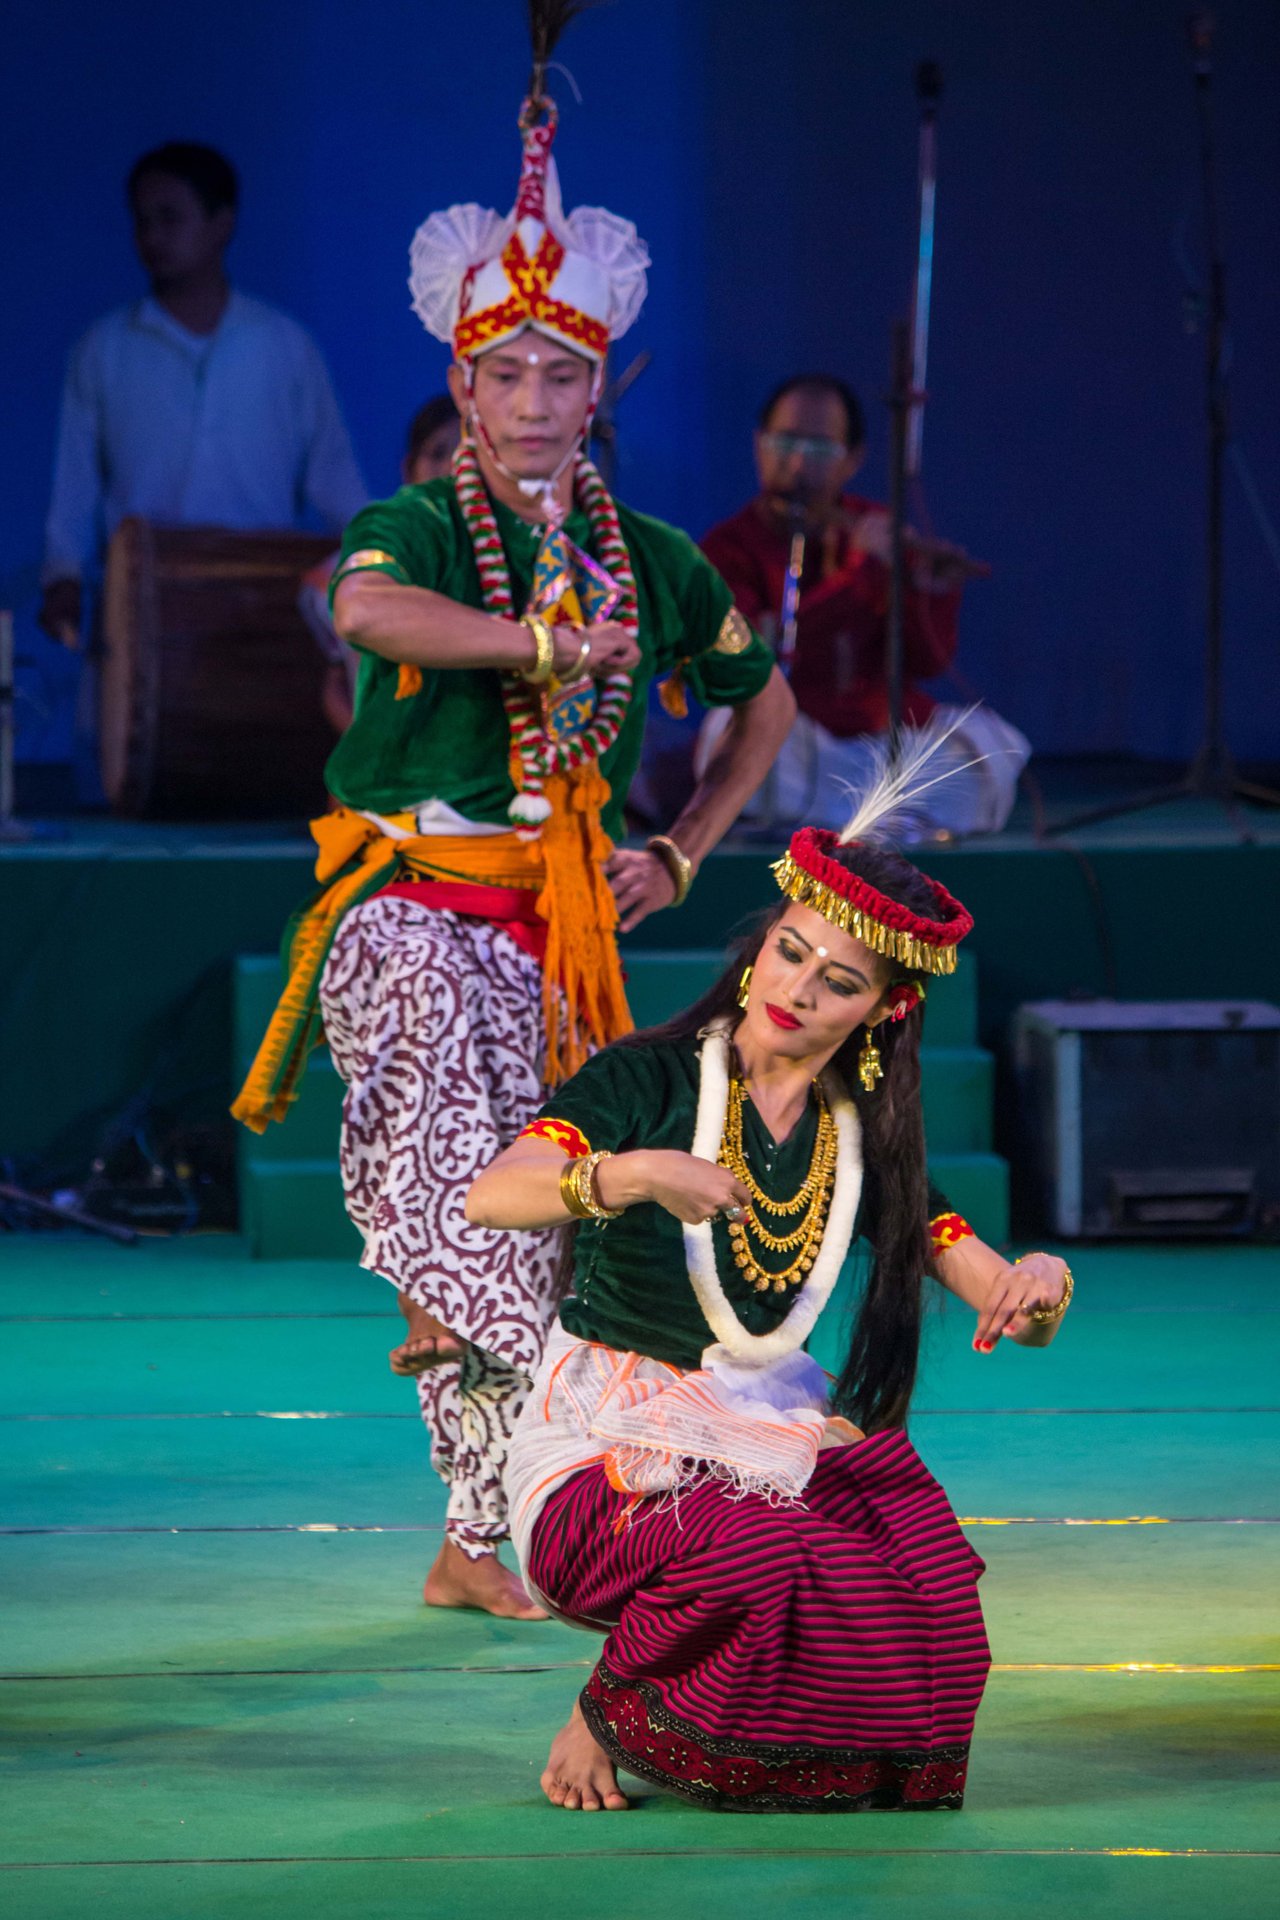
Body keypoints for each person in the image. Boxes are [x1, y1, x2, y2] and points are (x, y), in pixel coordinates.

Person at [232, 28, 794, 1623]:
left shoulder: (656, 557)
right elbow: (368, 612)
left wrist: (684, 847)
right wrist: (542, 646)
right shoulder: (416, 522)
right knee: (461, 1214)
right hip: (413, 913)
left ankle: (485, 1538)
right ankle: (515, 1499)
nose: (533, 401)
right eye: (504, 375)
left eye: (560, 374)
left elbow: (762, 704)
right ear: (459, 387)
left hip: (565, 942)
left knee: (551, 1226)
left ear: (598, 387)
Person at [468, 770, 1073, 1811]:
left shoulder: (857, 1141)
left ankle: (811, 1760)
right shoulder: (649, 1080)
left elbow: (993, 1288)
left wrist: (1038, 1284)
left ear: (886, 1007)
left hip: (757, 1435)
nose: (798, 988)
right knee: (762, 1541)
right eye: (788, 952)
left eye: (839, 981)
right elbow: (494, 1193)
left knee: (924, 1564)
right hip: (604, 1463)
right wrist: (632, 1174)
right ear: (759, 950)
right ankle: (602, 1714)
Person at [39, 141, 366, 650]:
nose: (152, 237)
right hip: (142, 608)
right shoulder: (104, 349)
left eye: (170, 218)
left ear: (222, 223)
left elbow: (334, 476)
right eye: (142, 221)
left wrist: (372, 557)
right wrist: (64, 575)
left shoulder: (281, 346)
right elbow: (75, 485)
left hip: (261, 608)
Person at [699, 373, 1029, 838]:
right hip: (795, 741)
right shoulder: (728, 547)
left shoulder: (874, 528)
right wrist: (856, 576)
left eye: (820, 450)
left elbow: (928, 663)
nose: (798, 464)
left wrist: (929, 594)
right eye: (784, 443)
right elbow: (758, 656)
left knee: (992, 745)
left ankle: (839, 815)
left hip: (880, 746)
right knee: (725, 736)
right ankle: (882, 816)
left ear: (852, 460)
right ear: (759, 445)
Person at [300, 395, 462, 732]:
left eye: (466, 457)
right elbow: (337, 690)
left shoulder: (504, 561)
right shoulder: (363, 560)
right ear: (409, 469)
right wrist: (371, 748)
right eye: (437, 454)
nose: (451, 469)